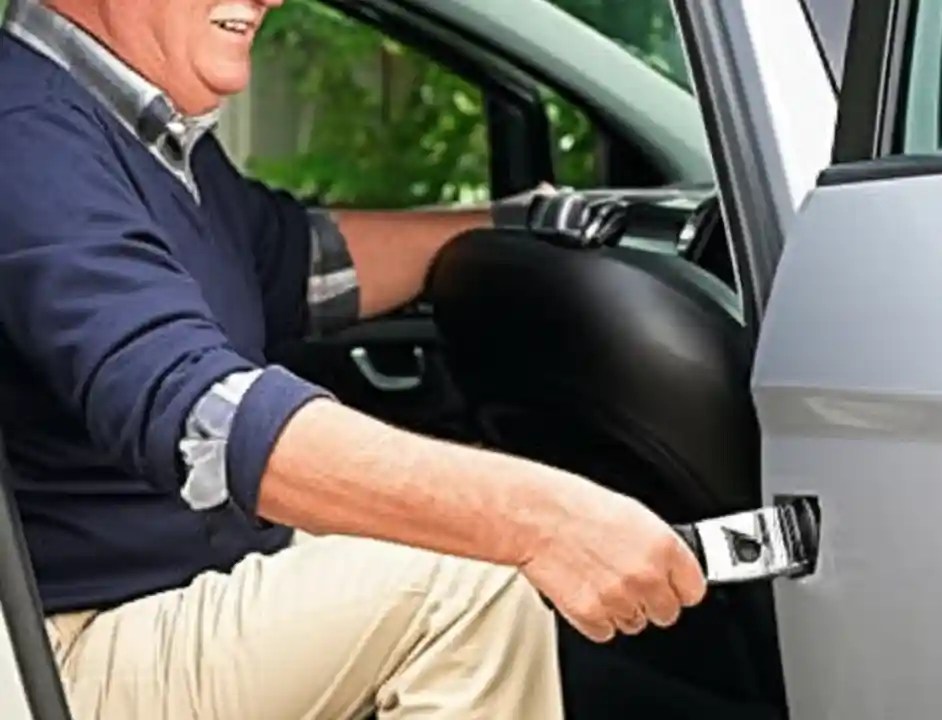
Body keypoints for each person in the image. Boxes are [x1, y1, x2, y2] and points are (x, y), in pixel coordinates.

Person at [0, 0, 708, 718]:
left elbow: (293, 262)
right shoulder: (25, 139)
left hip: (175, 588)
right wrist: (540, 518)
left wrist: (517, 222)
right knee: (469, 582)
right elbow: (199, 417)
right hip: (61, 654)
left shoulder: (137, 129)